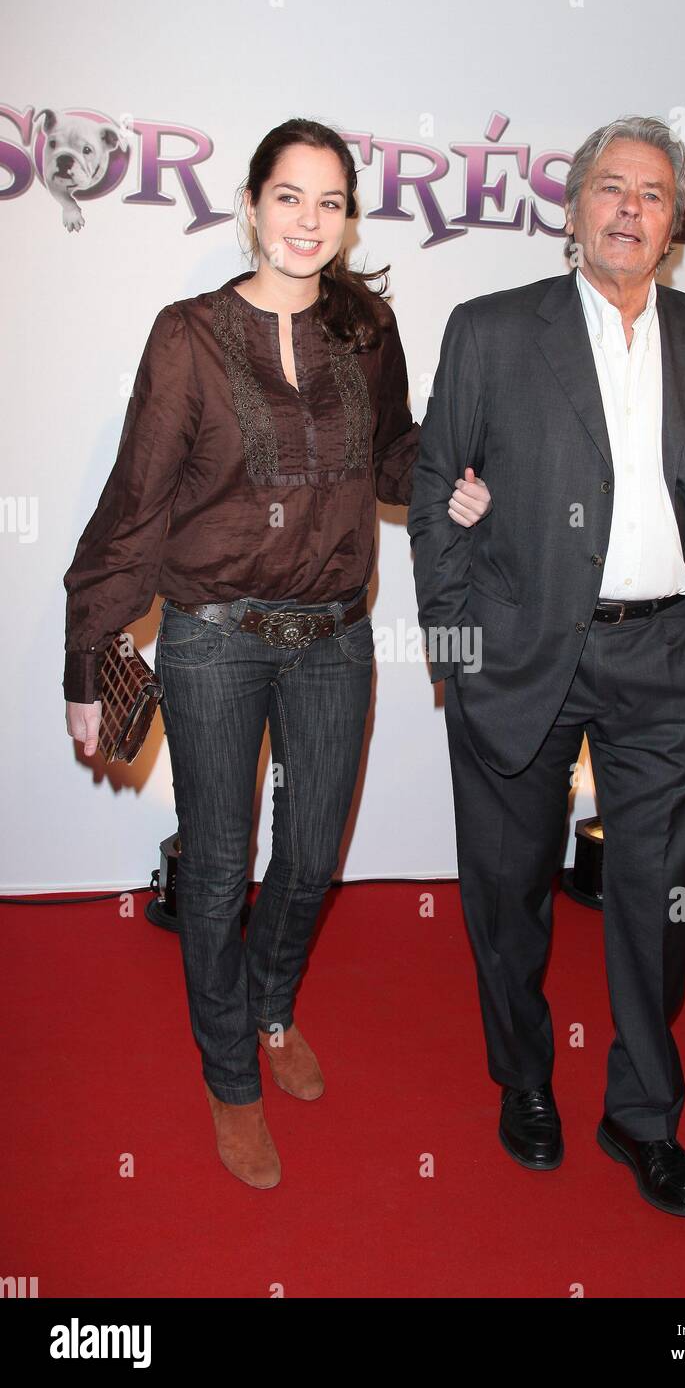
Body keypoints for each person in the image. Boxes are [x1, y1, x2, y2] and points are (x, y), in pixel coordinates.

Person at [63, 119, 492, 1190]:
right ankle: (230, 1076)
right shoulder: (189, 337)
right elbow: (135, 503)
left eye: (330, 202)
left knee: (309, 856)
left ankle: (269, 1005)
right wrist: (89, 656)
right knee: (214, 871)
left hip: (336, 638)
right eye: (290, 196)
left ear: (348, 220)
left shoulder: (366, 327)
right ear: (252, 204)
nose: (308, 220)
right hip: (210, 639)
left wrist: (447, 475)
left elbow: (394, 452)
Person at [408, 115, 685, 1217]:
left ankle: (642, 1113)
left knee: (656, 903)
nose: (629, 207)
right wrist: (455, 648)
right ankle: (525, 1079)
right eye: (609, 187)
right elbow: (436, 492)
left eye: (653, 193)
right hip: (519, 655)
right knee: (507, 892)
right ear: (568, 211)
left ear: (676, 222)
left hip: (671, 659)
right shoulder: (492, 330)